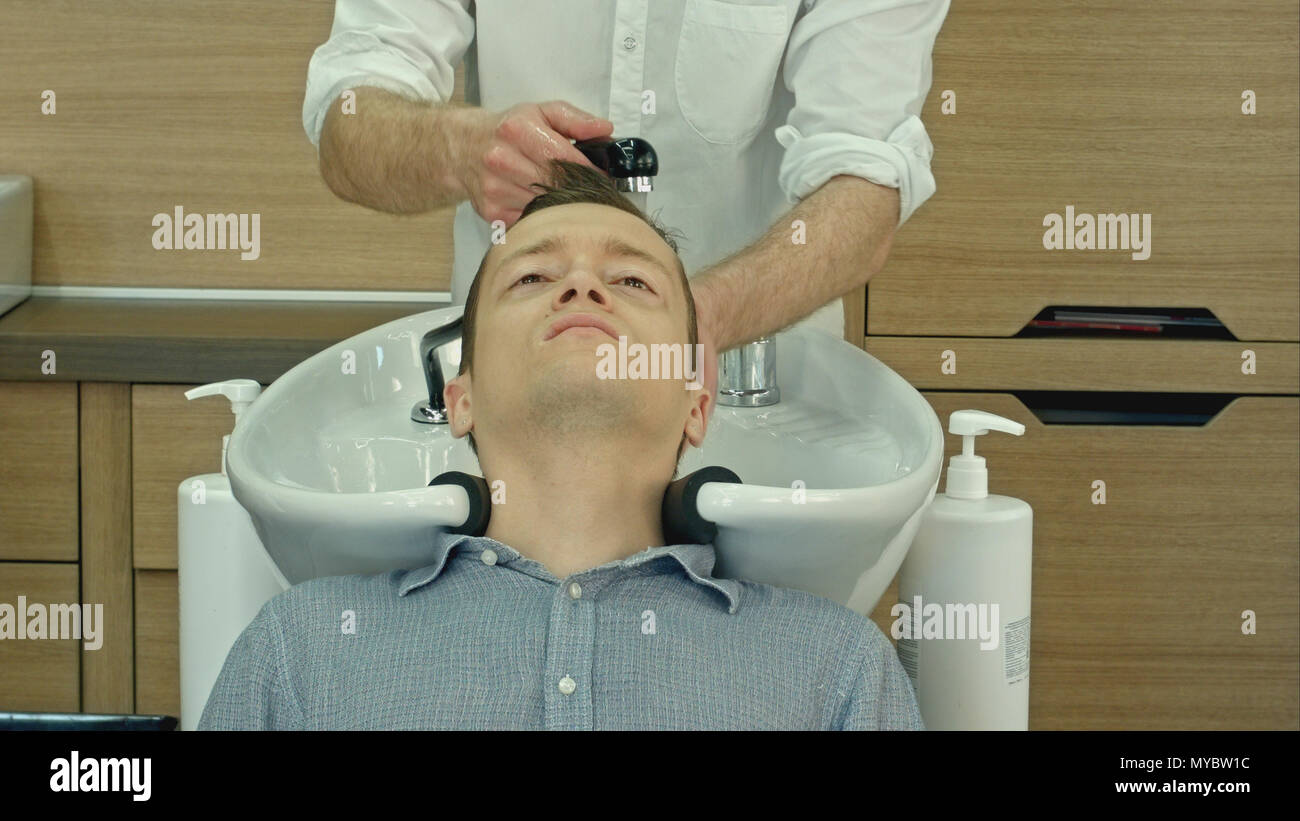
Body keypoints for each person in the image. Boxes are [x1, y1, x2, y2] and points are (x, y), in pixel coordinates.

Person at [198, 160, 925, 730]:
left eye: (632, 280)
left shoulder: (836, 672)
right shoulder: (302, 652)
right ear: (462, 396)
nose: (581, 285)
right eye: (535, 276)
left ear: (695, 403)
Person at [303, 0, 951, 416]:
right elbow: (349, 119)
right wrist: (458, 149)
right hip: (516, 405)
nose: (590, 288)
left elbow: (864, 179)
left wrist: (698, 321)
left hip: (752, 401)